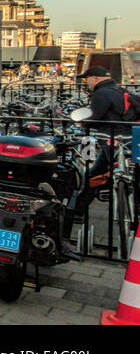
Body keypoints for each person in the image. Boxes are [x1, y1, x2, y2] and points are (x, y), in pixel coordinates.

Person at [71, 66, 133, 235]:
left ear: (96, 78)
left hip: (109, 139)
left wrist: (82, 123)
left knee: (93, 173)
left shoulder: (101, 93)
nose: (86, 82)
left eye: (87, 78)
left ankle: (78, 211)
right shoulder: (119, 90)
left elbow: (95, 117)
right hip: (130, 138)